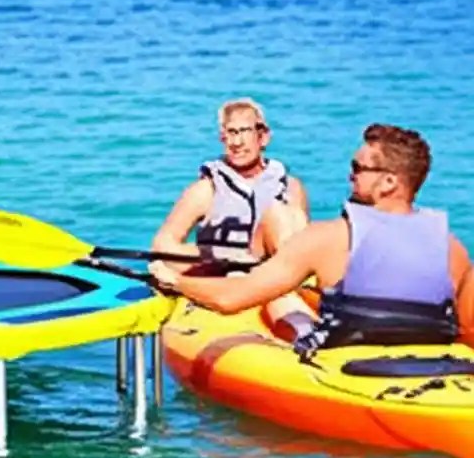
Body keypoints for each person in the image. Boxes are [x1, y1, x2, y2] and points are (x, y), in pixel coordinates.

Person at [151, 123, 474, 352]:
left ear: (388, 182)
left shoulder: (327, 238)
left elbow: (229, 299)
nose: (350, 175)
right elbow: (466, 327)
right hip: (437, 363)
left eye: (358, 168)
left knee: (279, 297)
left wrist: (175, 282)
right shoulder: (452, 248)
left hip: (347, 364)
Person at [151, 97, 312, 336]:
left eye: (244, 132)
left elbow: (304, 244)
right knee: (280, 217)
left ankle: (302, 316)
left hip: (275, 274)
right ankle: (297, 319)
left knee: (286, 216)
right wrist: (215, 257)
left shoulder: (290, 187)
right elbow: (162, 246)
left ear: (263, 137)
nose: (236, 142)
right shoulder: (206, 190)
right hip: (230, 278)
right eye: (230, 133)